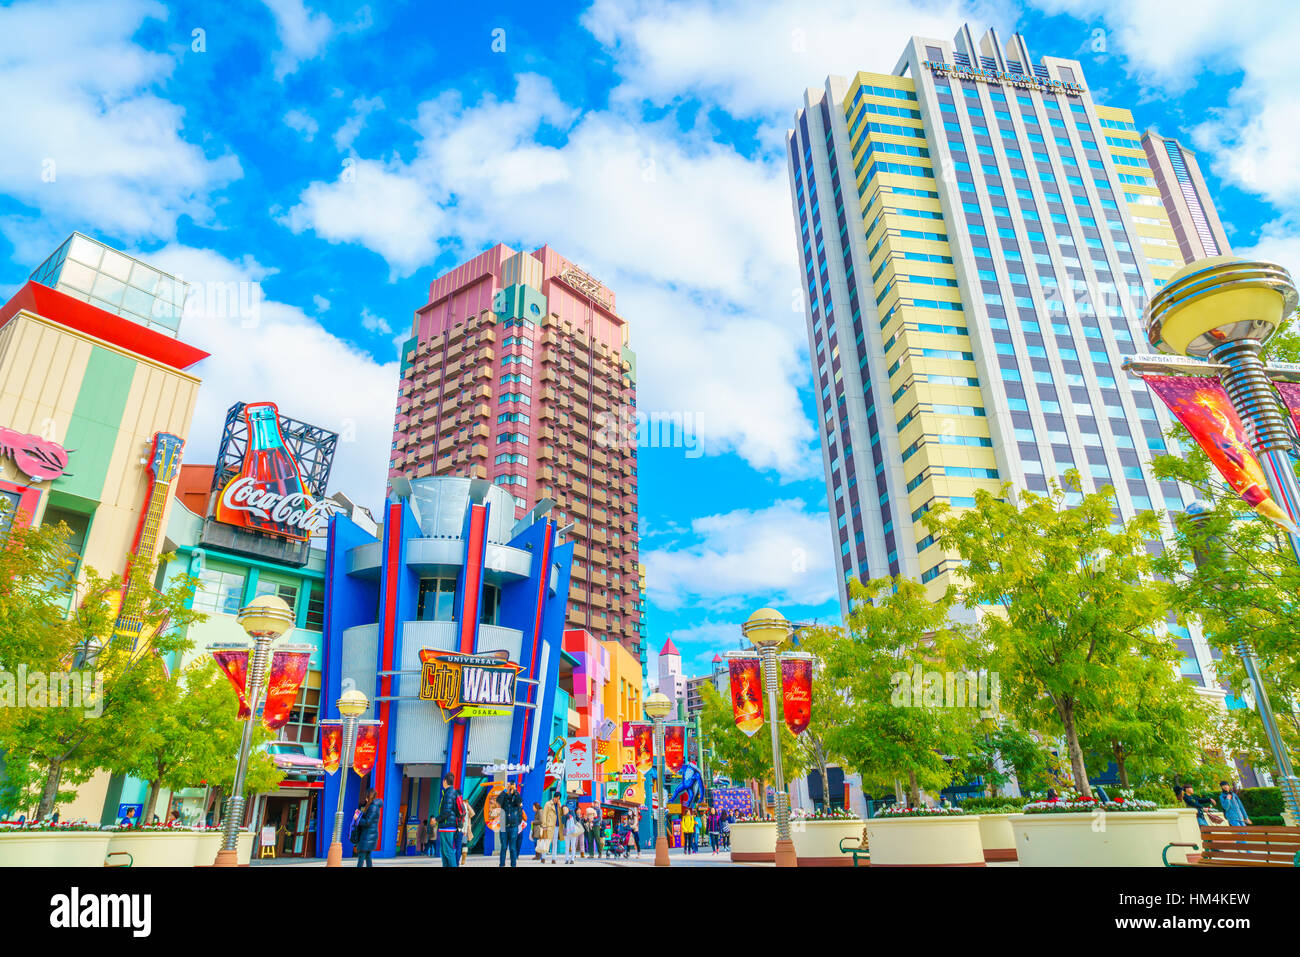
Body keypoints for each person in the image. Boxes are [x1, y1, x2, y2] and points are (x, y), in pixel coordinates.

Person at [496, 780, 526, 867]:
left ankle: (513, 865)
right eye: (510, 786)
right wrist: (506, 789)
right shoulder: (504, 797)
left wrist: (515, 791)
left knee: (513, 848)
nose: (510, 788)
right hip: (503, 827)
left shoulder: (516, 797)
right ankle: (502, 865)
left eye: (511, 786)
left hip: (513, 826)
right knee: (503, 847)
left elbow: (519, 800)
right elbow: (498, 800)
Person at [436, 773, 461, 867]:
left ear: (445, 781)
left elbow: (447, 811)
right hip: (447, 826)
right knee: (444, 851)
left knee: (448, 851)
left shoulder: (449, 793)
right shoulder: (450, 792)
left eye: (443, 780)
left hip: (448, 826)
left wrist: (436, 820)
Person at [353, 790, 383, 867]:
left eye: (366, 797)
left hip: (367, 836)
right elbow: (368, 818)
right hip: (368, 835)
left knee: (361, 858)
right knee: (367, 857)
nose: (366, 799)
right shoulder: (372, 806)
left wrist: (357, 819)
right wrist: (360, 814)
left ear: (368, 797)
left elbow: (367, 822)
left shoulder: (373, 807)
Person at [541, 793, 561, 864]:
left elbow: (561, 815)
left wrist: (560, 806)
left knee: (555, 843)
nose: (556, 800)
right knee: (546, 841)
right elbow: (544, 814)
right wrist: (544, 825)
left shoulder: (559, 805)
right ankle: (543, 857)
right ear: (554, 797)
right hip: (549, 826)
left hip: (556, 826)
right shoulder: (548, 804)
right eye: (556, 798)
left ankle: (553, 858)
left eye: (558, 798)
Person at [460, 799, 476, 865]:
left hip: (465, 831)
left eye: (466, 802)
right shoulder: (460, 810)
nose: (465, 804)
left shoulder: (468, 811)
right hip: (459, 830)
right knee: (459, 844)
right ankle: (458, 858)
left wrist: (468, 806)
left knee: (464, 844)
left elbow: (473, 814)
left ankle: (463, 858)